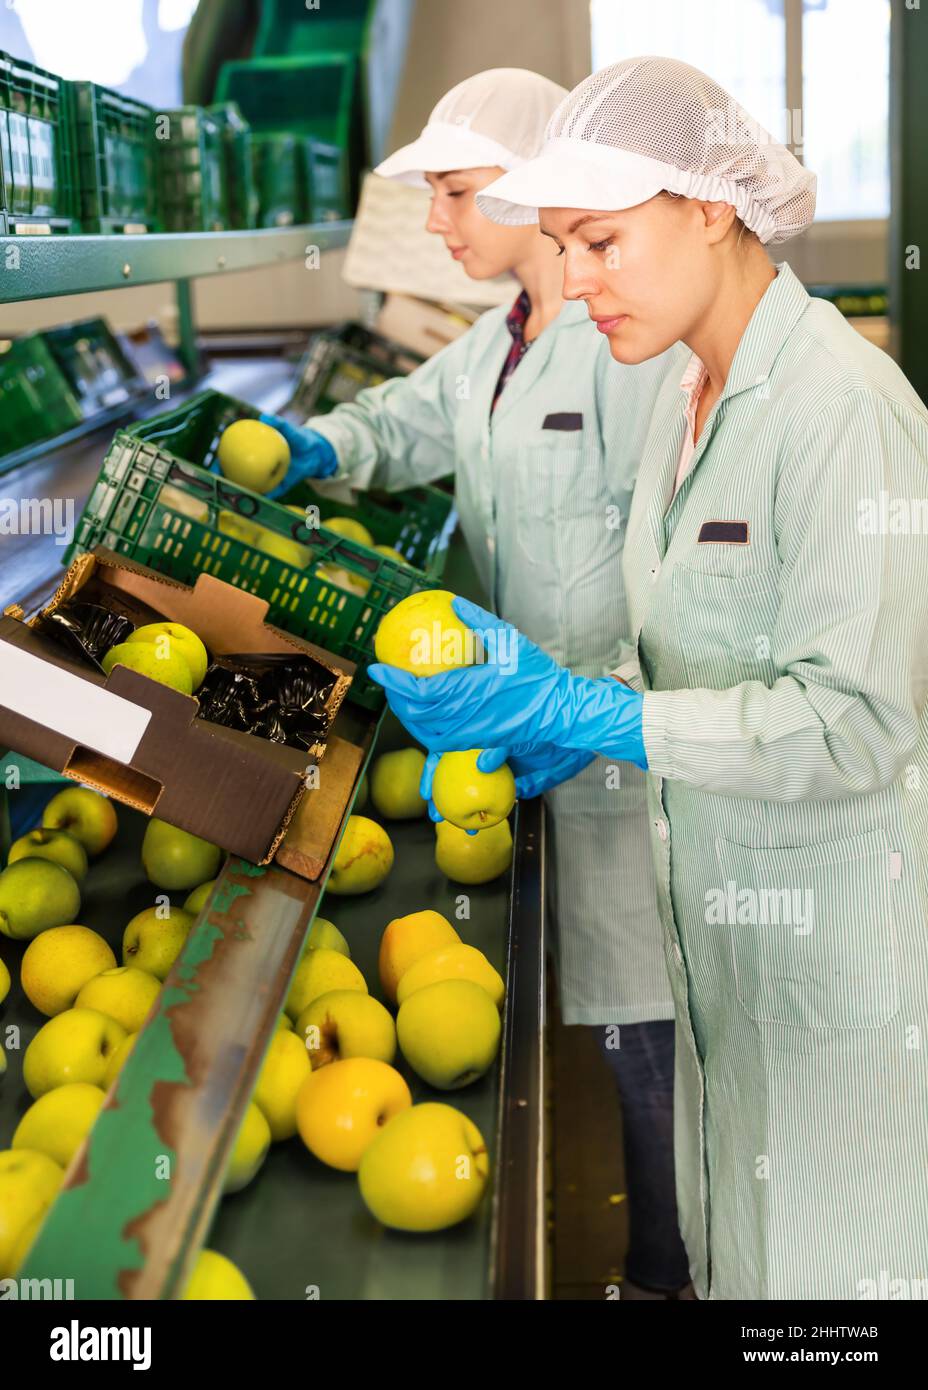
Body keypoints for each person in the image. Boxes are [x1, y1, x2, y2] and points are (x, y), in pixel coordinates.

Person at [369, 56, 928, 1302]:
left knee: (833, 1285)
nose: (576, 281)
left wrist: (597, 713)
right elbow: (693, 640)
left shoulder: (843, 413)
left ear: (712, 208)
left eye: (603, 242)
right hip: (725, 931)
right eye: (563, 246)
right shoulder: (688, 389)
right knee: (739, 1251)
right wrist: (585, 707)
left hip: (839, 963)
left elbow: (858, 720)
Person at [263, 69, 692, 1299]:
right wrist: (319, 445)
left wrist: (592, 705)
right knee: (606, 1019)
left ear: (531, 182)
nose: (440, 222)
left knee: (645, 1036)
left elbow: (670, 574)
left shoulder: (623, 351)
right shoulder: (497, 336)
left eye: (456, 190)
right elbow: (408, 419)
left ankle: (668, 1276)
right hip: (524, 727)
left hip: (619, 749)